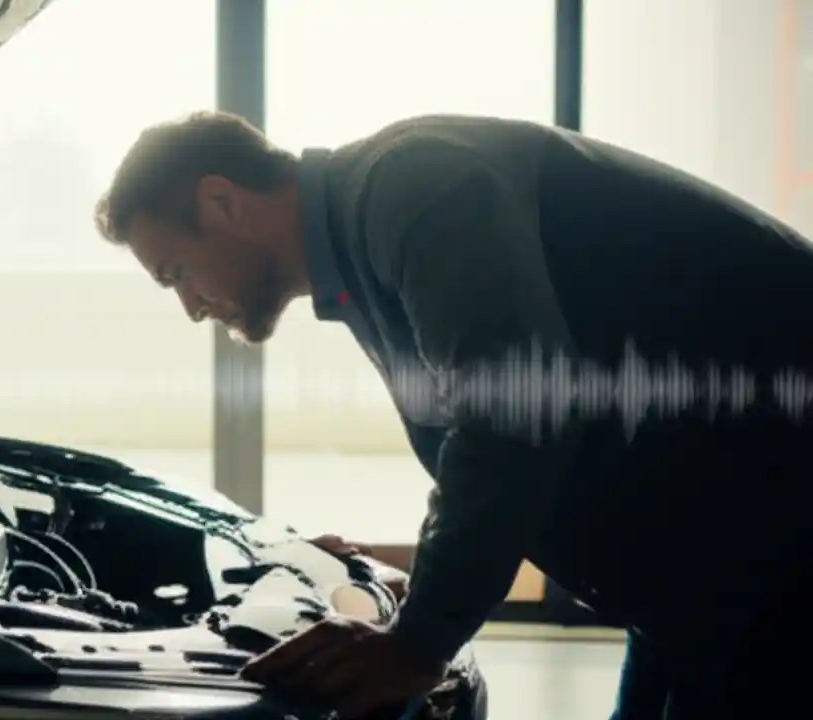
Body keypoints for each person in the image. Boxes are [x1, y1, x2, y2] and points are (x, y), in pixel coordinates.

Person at [92, 111, 813, 719]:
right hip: (701, 574)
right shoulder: (363, 250)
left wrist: (418, 642)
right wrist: (419, 576)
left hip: (774, 552)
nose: (190, 308)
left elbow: (512, 415)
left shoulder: (415, 186)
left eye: (176, 272)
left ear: (221, 202)